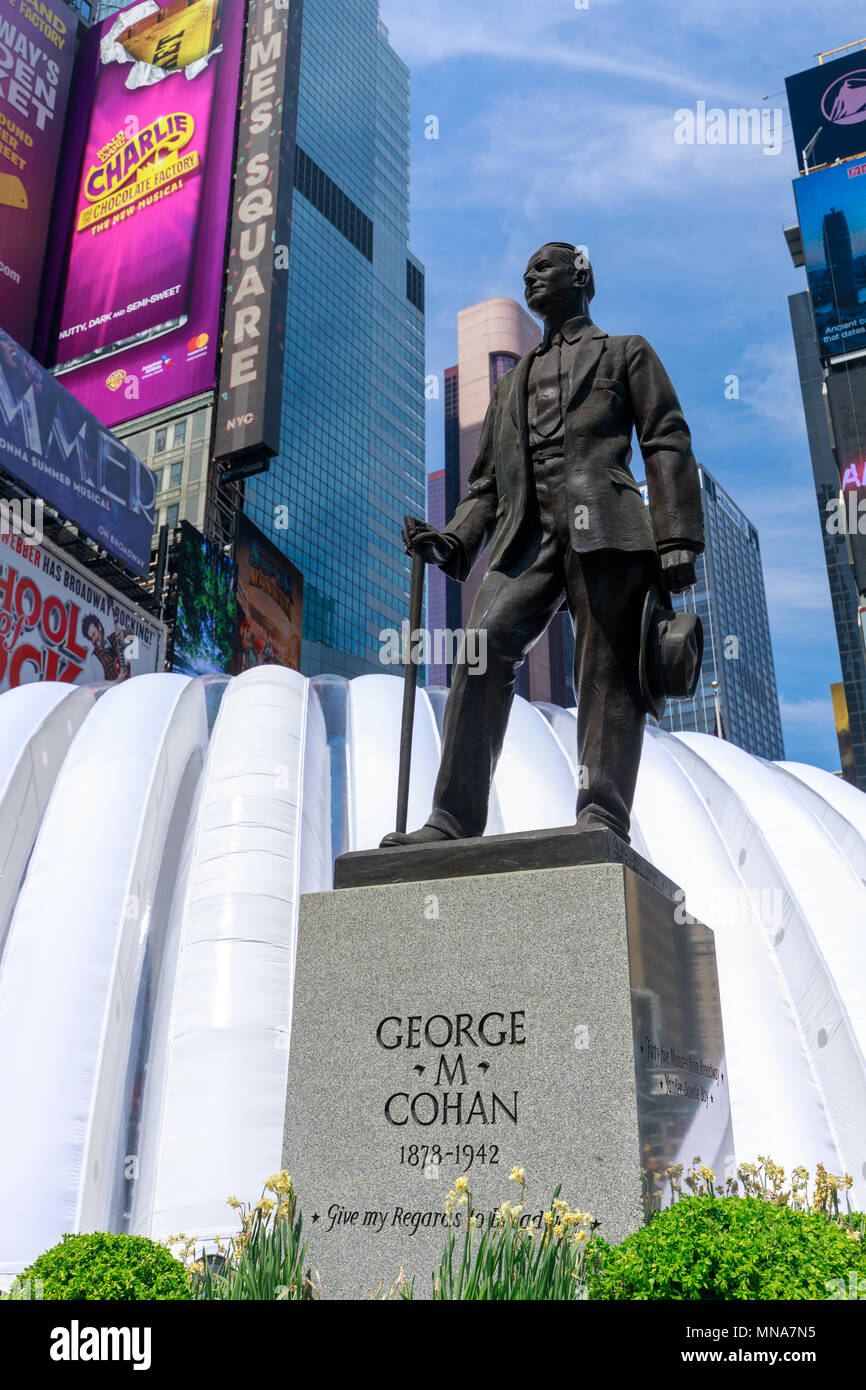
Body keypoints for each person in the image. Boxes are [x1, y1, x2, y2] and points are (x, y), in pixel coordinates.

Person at [381, 242, 704, 848]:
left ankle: (602, 812)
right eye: (525, 271)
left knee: (607, 667)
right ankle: (453, 817)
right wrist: (452, 541)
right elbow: (485, 486)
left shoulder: (625, 353)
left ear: (581, 274)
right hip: (528, 535)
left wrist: (677, 537)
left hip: (607, 527)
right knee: (480, 648)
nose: (530, 276)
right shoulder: (510, 387)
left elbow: (665, 436)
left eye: (544, 267)